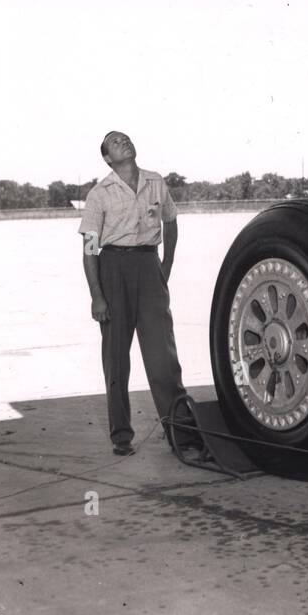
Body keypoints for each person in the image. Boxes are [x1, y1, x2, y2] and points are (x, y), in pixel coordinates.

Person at [78, 130, 201, 458]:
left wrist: (166, 265)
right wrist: (97, 295)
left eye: (126, 139)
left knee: (163, 357)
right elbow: (89, 248)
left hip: (149, 267)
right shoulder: (99, 194)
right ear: (107, 158)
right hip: (113, 268)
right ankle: (121, 436)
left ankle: (182, 435)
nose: (124, 143)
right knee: (116, 360)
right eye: (116, 143)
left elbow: (171, 221)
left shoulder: (155, 182)